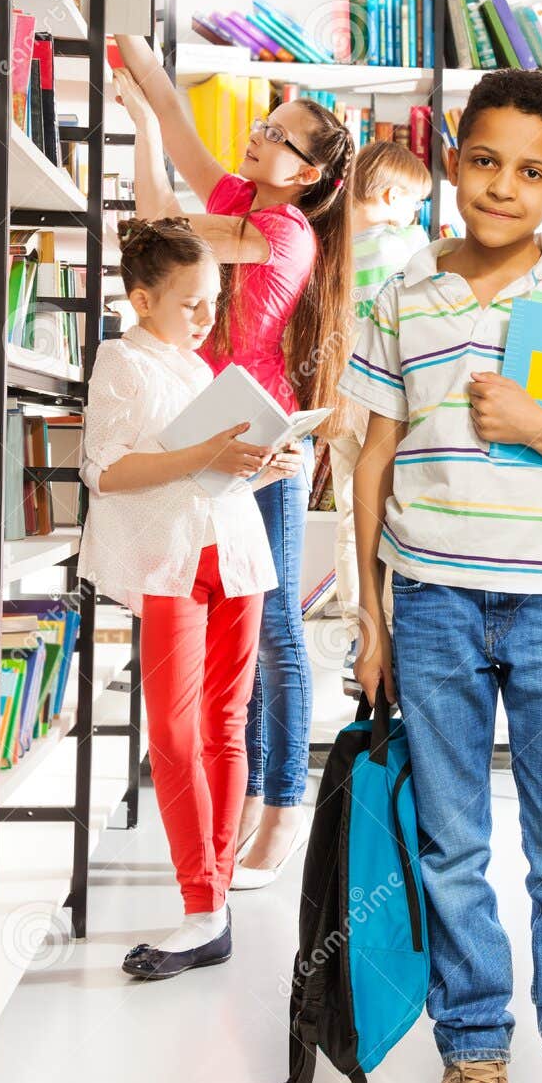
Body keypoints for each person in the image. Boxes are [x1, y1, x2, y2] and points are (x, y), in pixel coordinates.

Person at [342, 68, 542, 1083]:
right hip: (430, 600)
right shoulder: (402, 295)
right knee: (451, 845)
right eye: (484, 162)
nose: (502, 187)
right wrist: (371, 616)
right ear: (452, 162)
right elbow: (371, 458)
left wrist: (537, 424)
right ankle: (472, 1052)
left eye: (530, 172)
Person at [112, 48, 354, 889]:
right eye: (264, 124)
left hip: (264, 441)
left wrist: (143, 123)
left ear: (309, 176)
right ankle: (242, 798)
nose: (259, 137)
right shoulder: (236, 202)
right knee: (230, 631)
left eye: (281, 138)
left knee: (275, 624)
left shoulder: (281, 232)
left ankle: (282, 809)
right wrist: (145, 83)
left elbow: (158, 229)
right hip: (210, 436)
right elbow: (180, 127)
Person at [78, 220, 299, 978]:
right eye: (190, 303)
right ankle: (203, 902)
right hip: (170, 562)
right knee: (174, 734)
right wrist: (210, 452)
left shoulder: (202, 369)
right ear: (142, 300)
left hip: (234, 555)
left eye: (213, 301)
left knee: (224, 725)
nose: (208, 318)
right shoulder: (122, 360)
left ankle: (212, 903)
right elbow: (106, 471)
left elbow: (212, 477)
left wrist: (264, 464)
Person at [330, 140, 431, 678]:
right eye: (415, 203)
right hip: (385, 400)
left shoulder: (332, 251)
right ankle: (393, 624)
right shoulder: (402, 248)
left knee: (352, 516)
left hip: (339, 398)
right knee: (393, 510)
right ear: (391, 198)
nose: (417, 216)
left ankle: (358, 633)